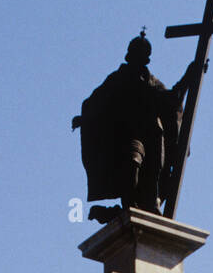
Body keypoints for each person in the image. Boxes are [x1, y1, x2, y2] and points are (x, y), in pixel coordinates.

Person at [73, 33, 193, 216]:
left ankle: (151, 205)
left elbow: (170, 101)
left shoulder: (152, 82)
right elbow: (97, 100)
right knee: (132, 161)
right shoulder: (118, 79)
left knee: (155, 171)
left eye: (142, 56)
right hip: (127, 133)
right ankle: (129, 205)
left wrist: (188, 77)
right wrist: (87, 117)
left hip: (153, 134)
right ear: (129, 56)